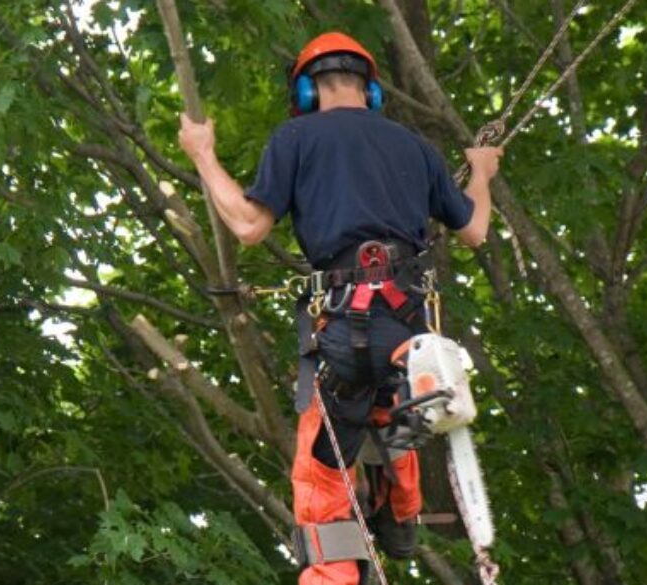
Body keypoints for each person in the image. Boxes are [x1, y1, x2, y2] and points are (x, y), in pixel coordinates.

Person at [178, 31, 502, 585]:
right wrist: (483, 172)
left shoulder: (296, 137)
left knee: (322, 472)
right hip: (409, 331)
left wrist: (203, 154)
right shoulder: (416, 147)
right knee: (393, 407)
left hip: (345, 333)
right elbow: (474, 228)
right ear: (371, 91)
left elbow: (249, 225)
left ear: (306, 90)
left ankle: (339, 569)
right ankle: (401, 518)